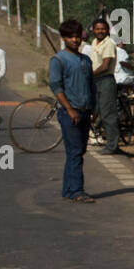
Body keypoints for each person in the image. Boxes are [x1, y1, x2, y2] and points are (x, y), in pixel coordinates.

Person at [48, 20, 97, 203]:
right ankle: (77, 190)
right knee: (75, 151)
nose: (75, 40)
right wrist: (69, 110)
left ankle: (69, 189)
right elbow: (56, 87)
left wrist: (94, 109)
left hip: (85, 111)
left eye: (77, 36)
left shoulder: (86, 60)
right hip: (70, 112)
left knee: (78, 151)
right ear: (63, 38)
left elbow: (91, 86)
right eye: (70, 37)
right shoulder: (58, 60)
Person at [86, 17, 120, 154]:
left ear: (108, 30)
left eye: (103, 29)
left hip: (105, 81)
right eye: (97, 29)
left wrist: (91, 75)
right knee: (94, 111)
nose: (100, 31)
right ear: (93, 30)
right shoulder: (94, 42)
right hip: (96, 81)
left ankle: (112, 146)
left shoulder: (109, 43)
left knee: (108, 115)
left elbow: (105, 66)